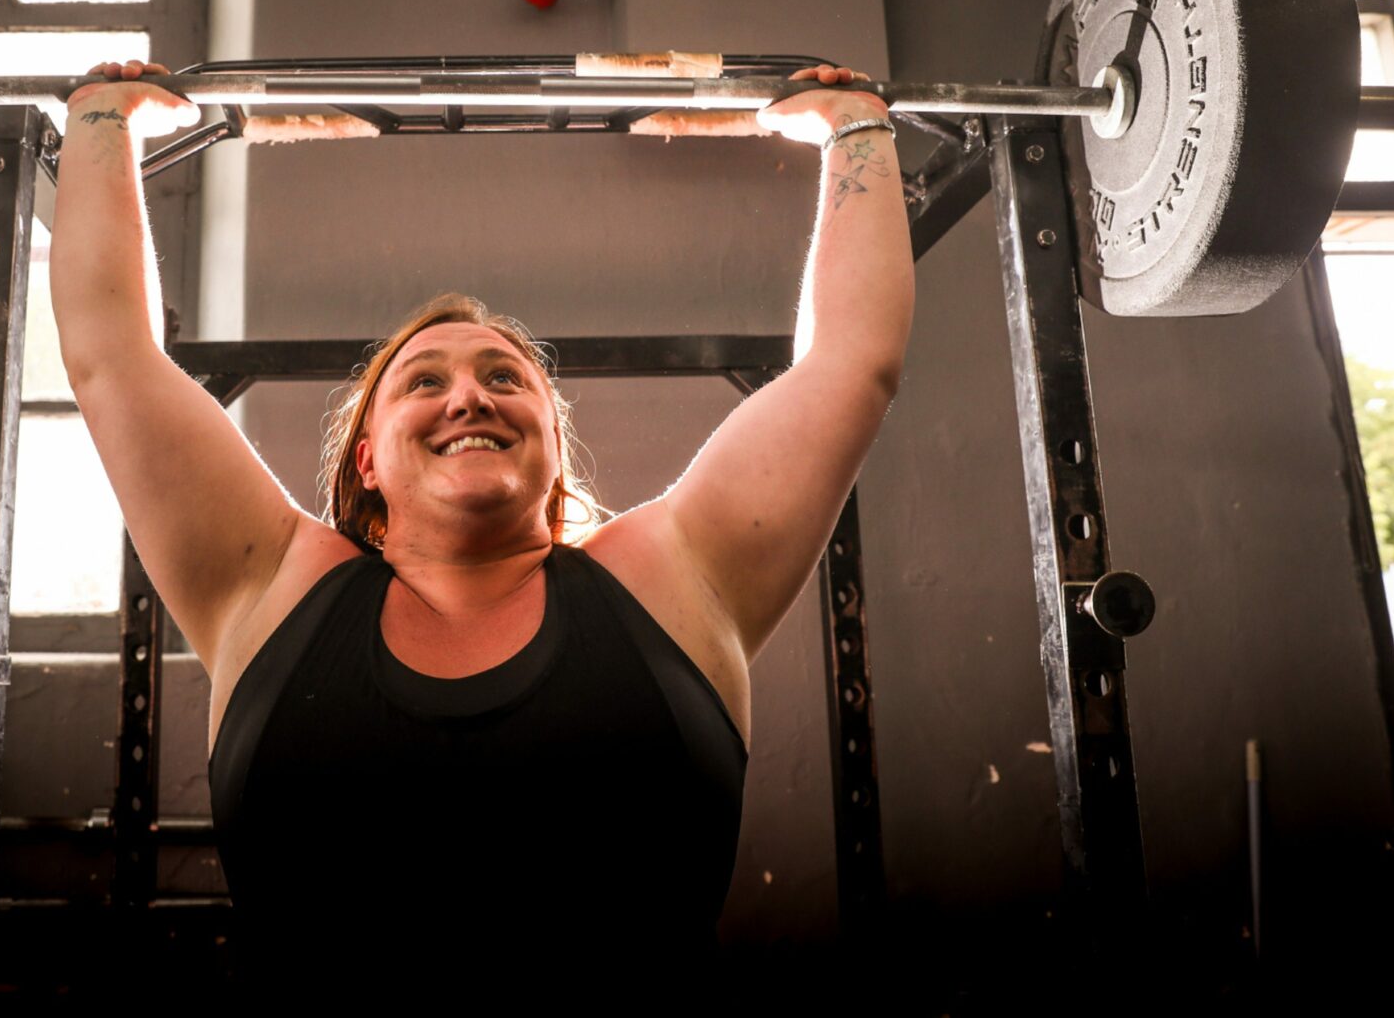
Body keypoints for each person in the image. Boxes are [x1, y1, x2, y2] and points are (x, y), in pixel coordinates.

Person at [50, 59, 913, 998]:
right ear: (369, 459)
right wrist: (103, 119)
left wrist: (856, 127)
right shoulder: (271, 585)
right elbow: (112, 357)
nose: (469, 395)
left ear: (550, 440)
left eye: (506, 379)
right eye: (424, 381)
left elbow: (849, 365)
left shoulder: (673, 576)